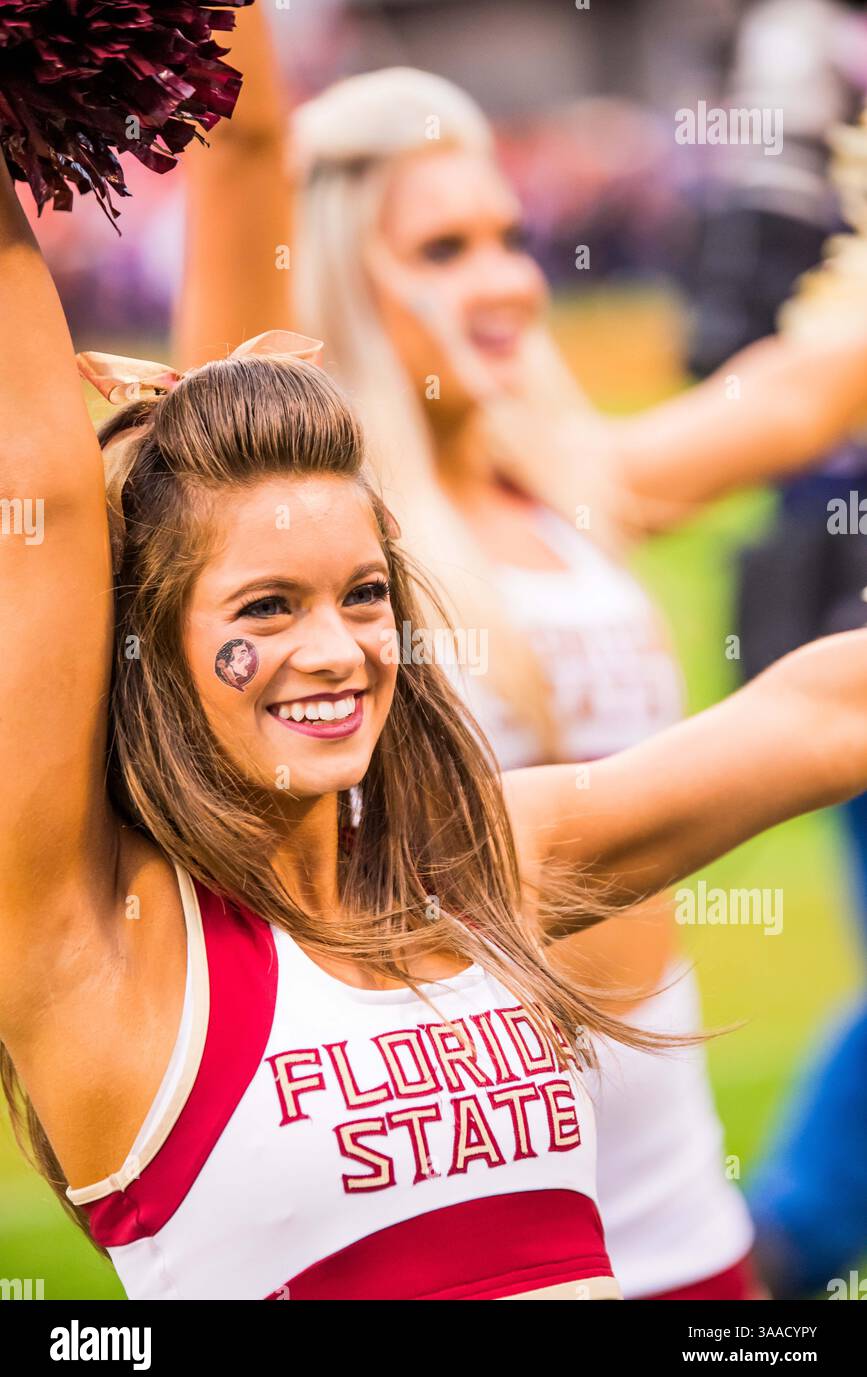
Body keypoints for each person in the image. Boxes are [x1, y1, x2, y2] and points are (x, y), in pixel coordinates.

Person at [7, 152, 867, 1302]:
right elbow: (38, 487)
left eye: (362, 594)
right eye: (267, 607)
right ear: (146, 644)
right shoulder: (96, 952)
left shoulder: (482, 864)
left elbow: (825, 711)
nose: (336, 647)